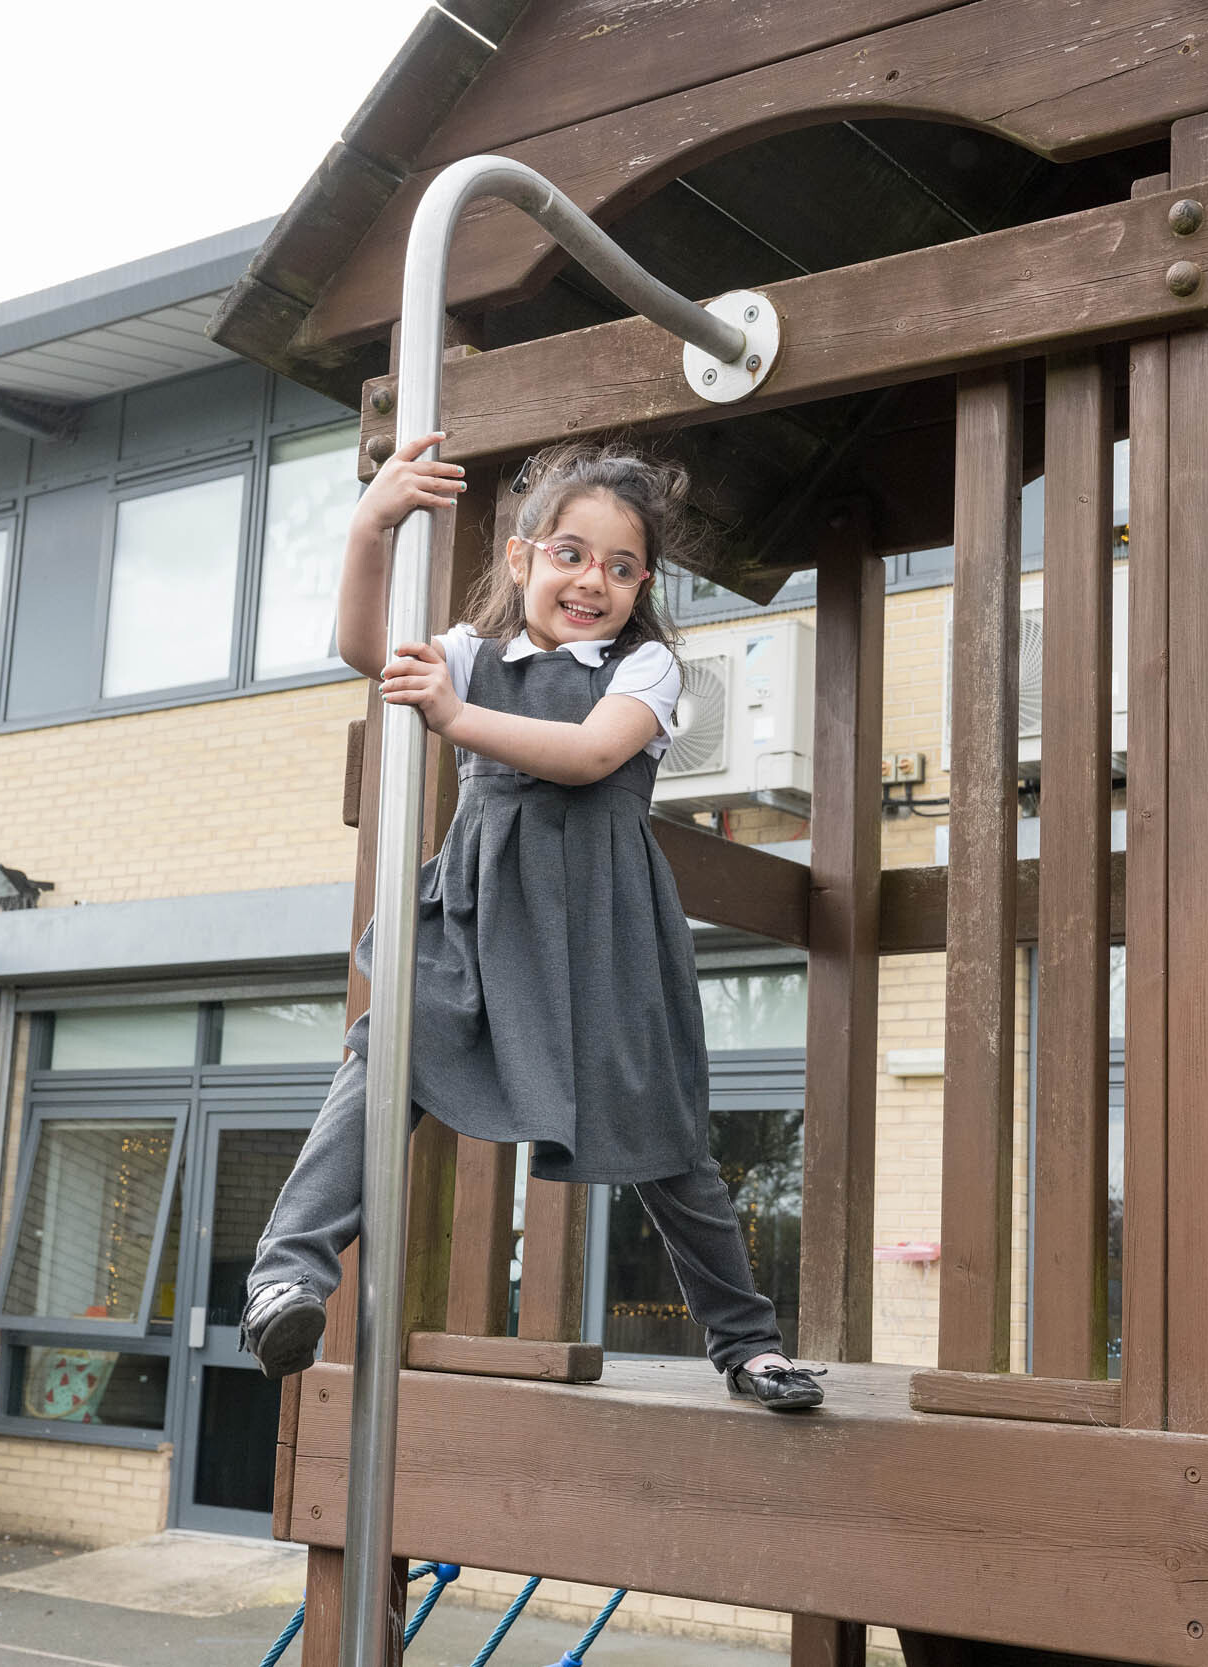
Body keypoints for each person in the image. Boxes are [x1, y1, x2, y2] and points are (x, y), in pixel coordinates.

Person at [238, 434, 825, 1412]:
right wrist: (371, 524)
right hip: (477, 913)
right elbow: (363, 644)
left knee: (664, 1129)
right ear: (521, 558)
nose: (593, 578)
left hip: (603, 924)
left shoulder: (647, 671)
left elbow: (591, 756)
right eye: (570, 553)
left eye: (622, 565)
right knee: (386, 1053)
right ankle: (284, 1275)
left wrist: (454, 719)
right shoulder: (473, 653)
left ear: (642, 585)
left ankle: (746, 1342)